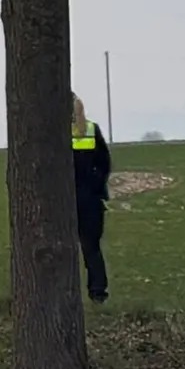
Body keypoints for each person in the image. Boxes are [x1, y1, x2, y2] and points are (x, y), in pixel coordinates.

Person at [72, 93, 112, 303]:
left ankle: (68, 293)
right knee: (92, 249)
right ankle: (98, 293)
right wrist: (97, 185)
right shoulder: (91, 129)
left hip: (66, 199)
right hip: (91, 199)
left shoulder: (53, 134)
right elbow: (105, 163)